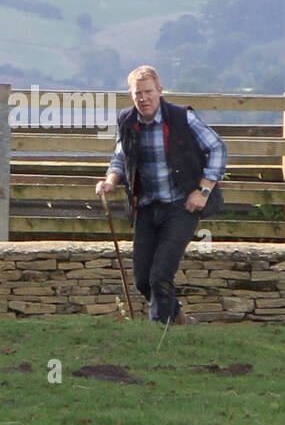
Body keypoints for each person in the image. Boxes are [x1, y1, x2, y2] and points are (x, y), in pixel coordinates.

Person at [94, 65, 226, 324]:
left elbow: (218, 148)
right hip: (146, 208)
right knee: (143, 280)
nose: (143, 98)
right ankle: (178, 317)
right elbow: (120, 158)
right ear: (130, 95)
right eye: (137, 93)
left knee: (160, 275)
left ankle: (159, 336)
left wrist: (203, 191)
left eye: (148, 92)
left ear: (160, 91)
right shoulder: (127, 121)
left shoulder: (181, 118)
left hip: (181, 207)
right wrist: (110, 181)